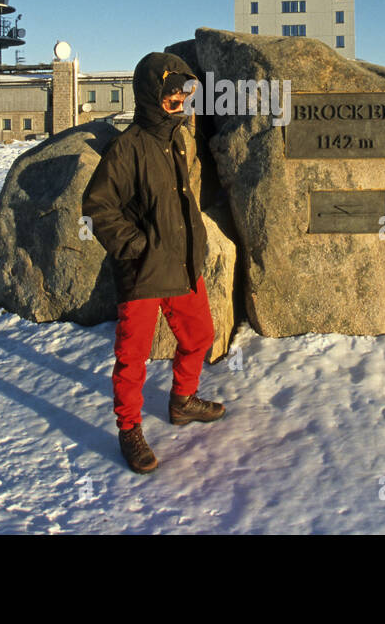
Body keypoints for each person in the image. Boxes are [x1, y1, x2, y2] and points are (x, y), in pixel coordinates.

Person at [81, 51, 226, 474]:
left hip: (180, 264)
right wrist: (136, 247)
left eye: (184, 93)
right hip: (143, 271)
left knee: (200, 336)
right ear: (151, 94)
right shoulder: (127, 147)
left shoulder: (175, 139)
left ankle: (182, 402)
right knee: (133, 359)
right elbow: (96, 207)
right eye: (171, 93)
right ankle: (129, 428)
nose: (179, 100)